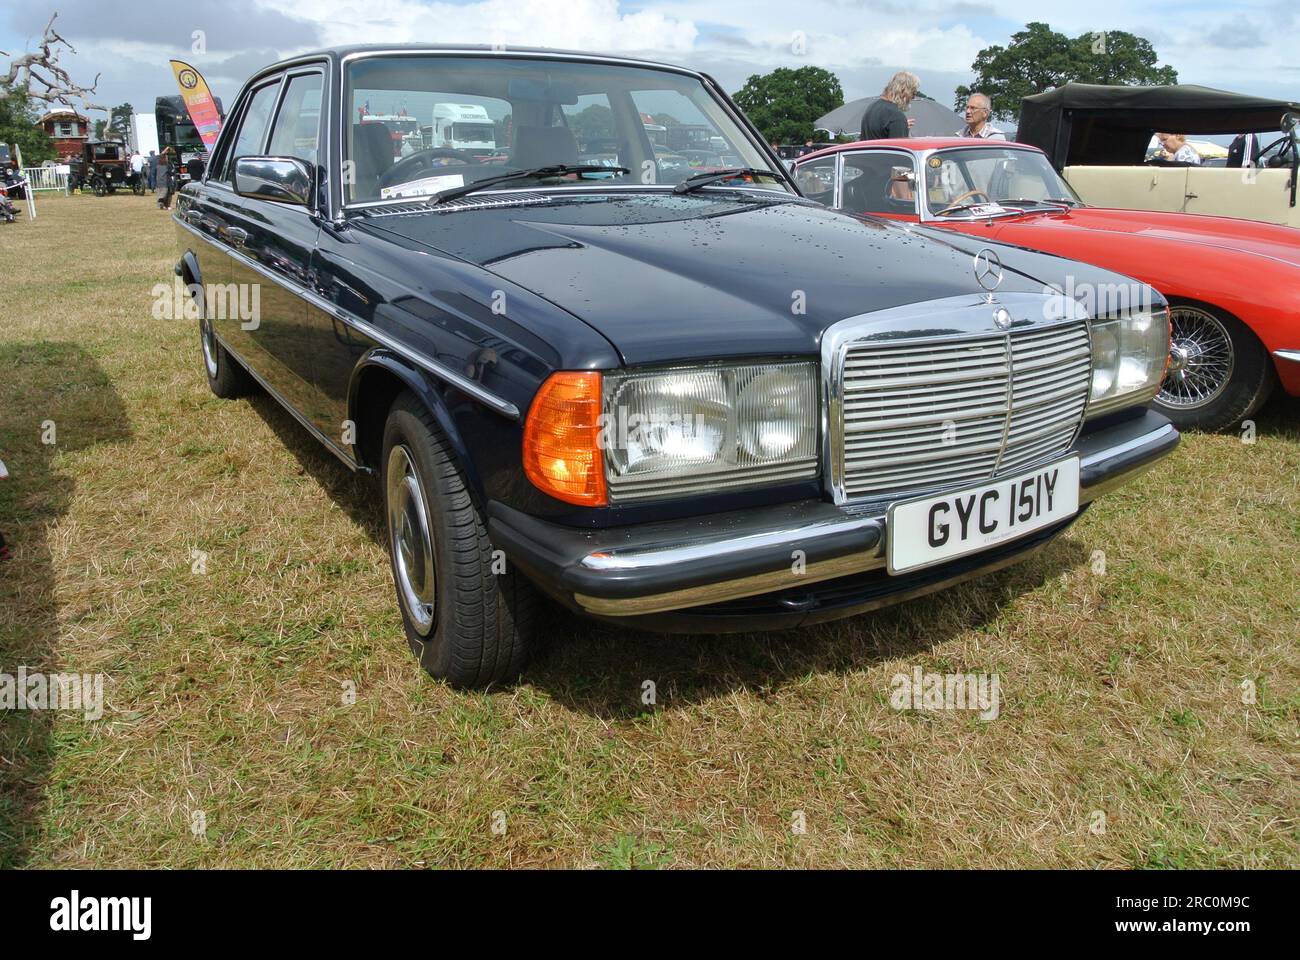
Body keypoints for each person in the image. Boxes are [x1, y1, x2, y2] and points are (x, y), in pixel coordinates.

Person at [861, 71, 920, 140]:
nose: (913, 97)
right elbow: (899, 148)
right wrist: (899, 123)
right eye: (913, 93)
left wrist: (900, 126)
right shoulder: (896, 116)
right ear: (904, 91)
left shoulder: (871, 107)